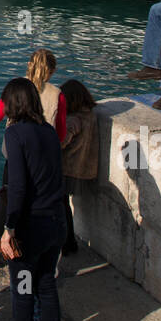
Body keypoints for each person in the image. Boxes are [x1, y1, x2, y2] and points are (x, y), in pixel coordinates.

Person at [0, 49, 66, 267]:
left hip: (17, 150)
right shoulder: (58, 94)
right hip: (45, 155)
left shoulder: (17, 86)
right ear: (52, 71)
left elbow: (1, 110)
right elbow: (61, 131)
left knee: (8, 195)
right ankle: (53, 244)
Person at [0, 78, 65, 321]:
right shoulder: (48, 130)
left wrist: (9, 228)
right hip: (56, 221)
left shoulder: (15, 134)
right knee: (46, 283)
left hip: (31, 228)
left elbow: (17, 185)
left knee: (23, 289)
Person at [58, 79, 98, 255]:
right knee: (64, 205)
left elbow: (61, 143)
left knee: (61, 206)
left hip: (68, 169)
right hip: (84, 170)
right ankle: (69, 242)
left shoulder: (73, 120)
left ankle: (66, 243)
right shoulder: (90, 115)